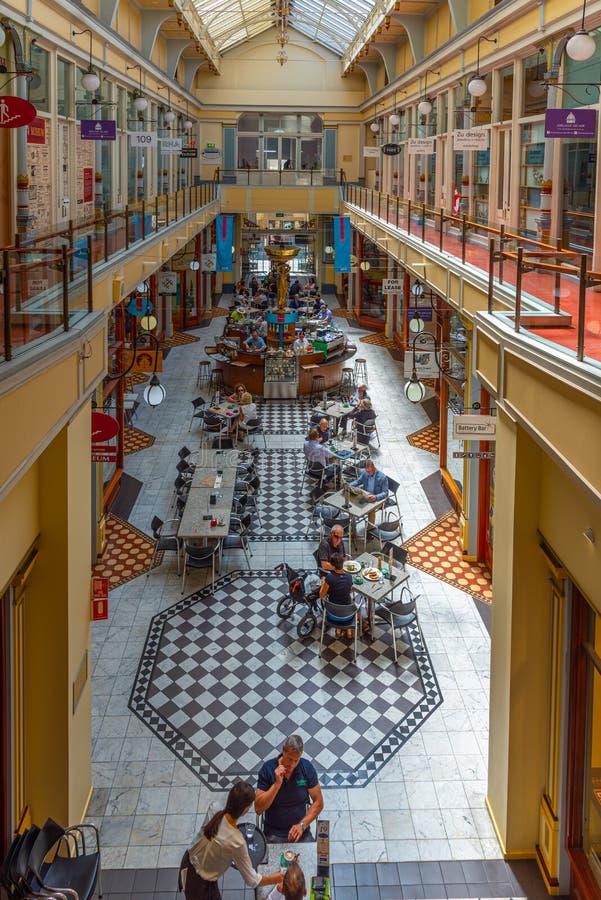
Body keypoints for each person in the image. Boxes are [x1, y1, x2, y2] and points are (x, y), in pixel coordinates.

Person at [180, 781, 282, 899]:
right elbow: (252, 880)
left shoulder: (214, 808)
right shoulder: (236, 842)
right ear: (245, 809)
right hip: (200, 885)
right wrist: (274, 878)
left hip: (188, 861)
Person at [255, 735, 324, 843]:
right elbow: (258, 808)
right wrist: (276, 785)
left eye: (296, 760)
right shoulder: (267, 769)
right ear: (283, 750)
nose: (292, 765)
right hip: (273, 832)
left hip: (301, 831)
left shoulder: (306, 768)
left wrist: (302, 825)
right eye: (289, 759)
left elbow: (318, 802)